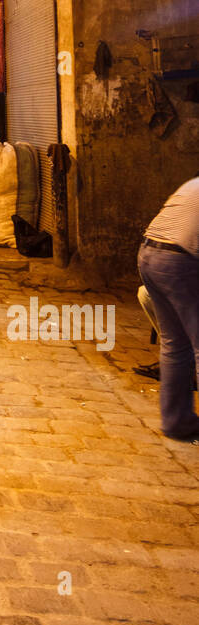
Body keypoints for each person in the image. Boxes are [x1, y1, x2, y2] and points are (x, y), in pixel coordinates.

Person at [138, 177, 199, 441]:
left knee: (176, 345)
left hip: (149, 254)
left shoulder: (193, 184)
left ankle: (177, 424)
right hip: (181, 261)